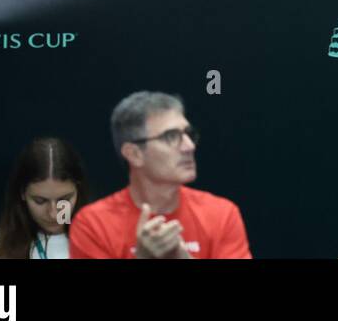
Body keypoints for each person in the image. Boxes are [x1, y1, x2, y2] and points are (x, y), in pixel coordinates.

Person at [70, 91, 251, 259]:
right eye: (171, 136)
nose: (189, 146)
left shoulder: (221, 214)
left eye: (188, 134)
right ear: (134, 154)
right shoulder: (93, 224)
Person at [0, 137, 88, 259]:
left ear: (78, 191)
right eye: (40, 201)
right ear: (22, 193)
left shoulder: (102, 240)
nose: (53, 213)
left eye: (64, 199)